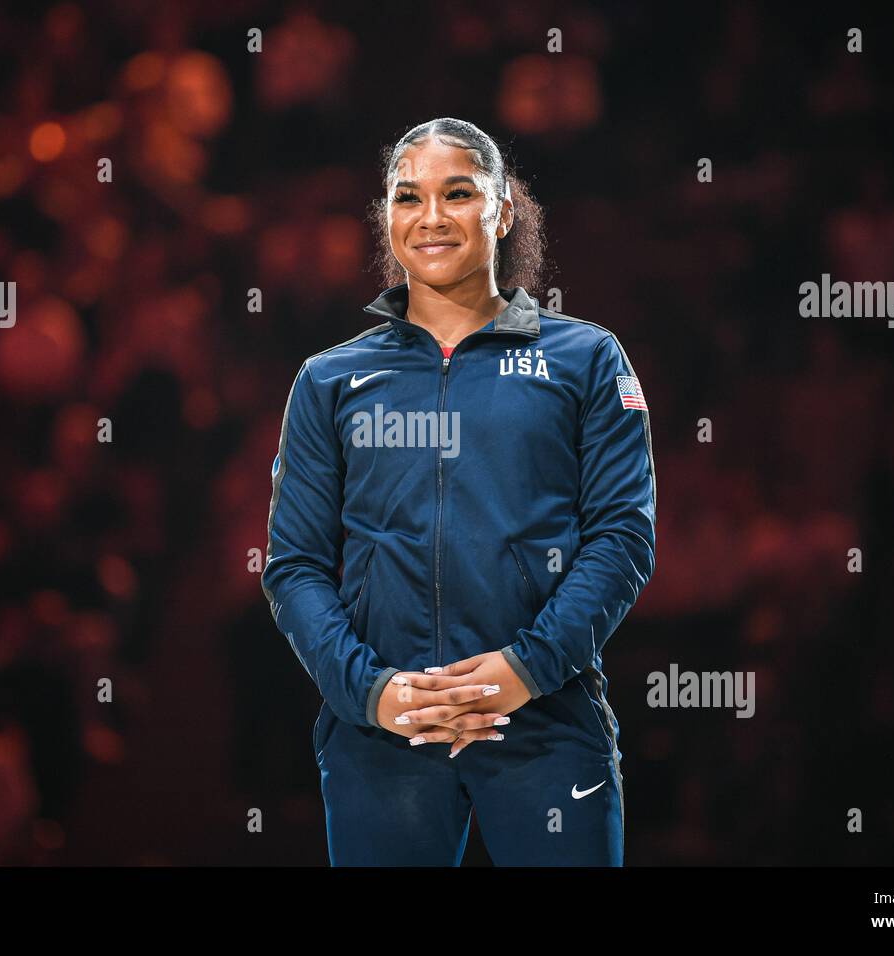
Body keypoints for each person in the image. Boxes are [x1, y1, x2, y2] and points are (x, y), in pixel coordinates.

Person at [262, 117, 657, 865]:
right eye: (408, 197)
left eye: (458, 193)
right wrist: (371, 692)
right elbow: (294, 566)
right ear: (387, 216)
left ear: (503, 209)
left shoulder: (586, 359)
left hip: (545, 725)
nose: (431, 218)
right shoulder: (329, 380)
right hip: (384, 735)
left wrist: (526, 669)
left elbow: (623, 539)